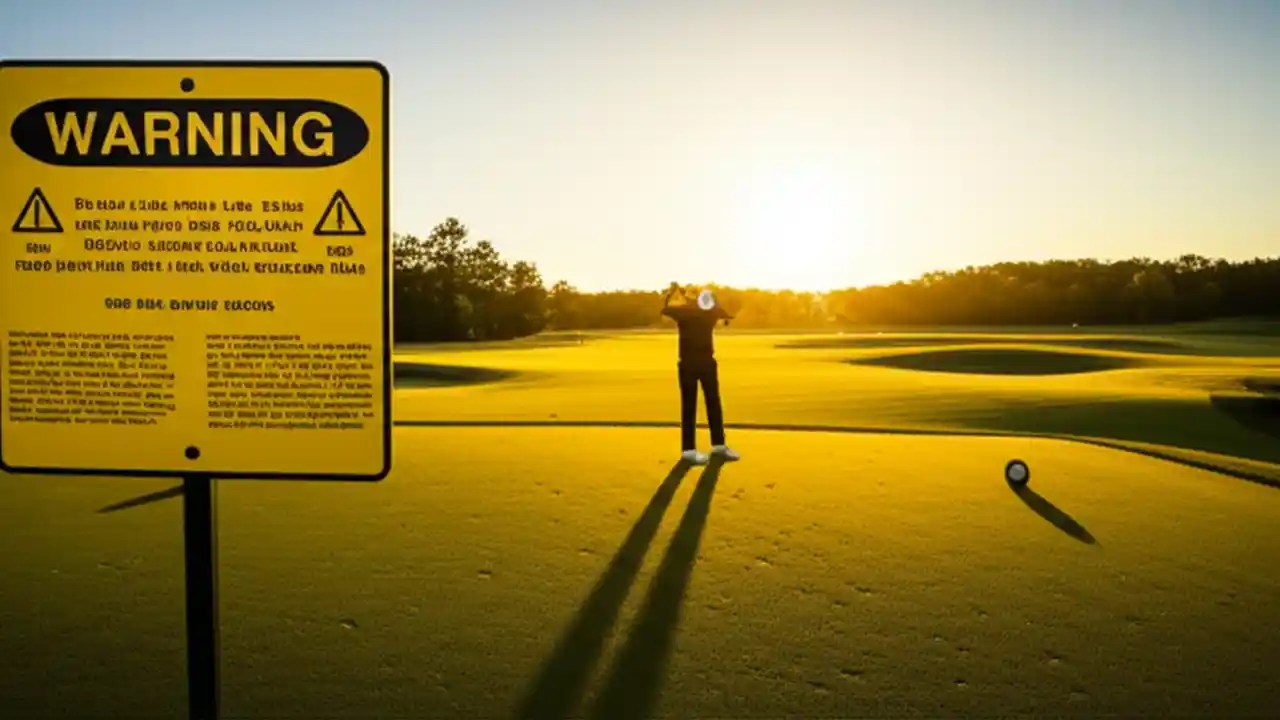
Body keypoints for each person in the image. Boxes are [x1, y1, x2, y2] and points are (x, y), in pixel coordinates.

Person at [660, 282, 741, 465]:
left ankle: (718, 446)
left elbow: (727, 315)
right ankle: (689, 451)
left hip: (705, 363)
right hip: (689, 364)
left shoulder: (705, 311)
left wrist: (677, 297)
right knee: (690, 405)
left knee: (713, 403)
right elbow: (665, 310)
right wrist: (673, 295)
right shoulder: (685, 312)